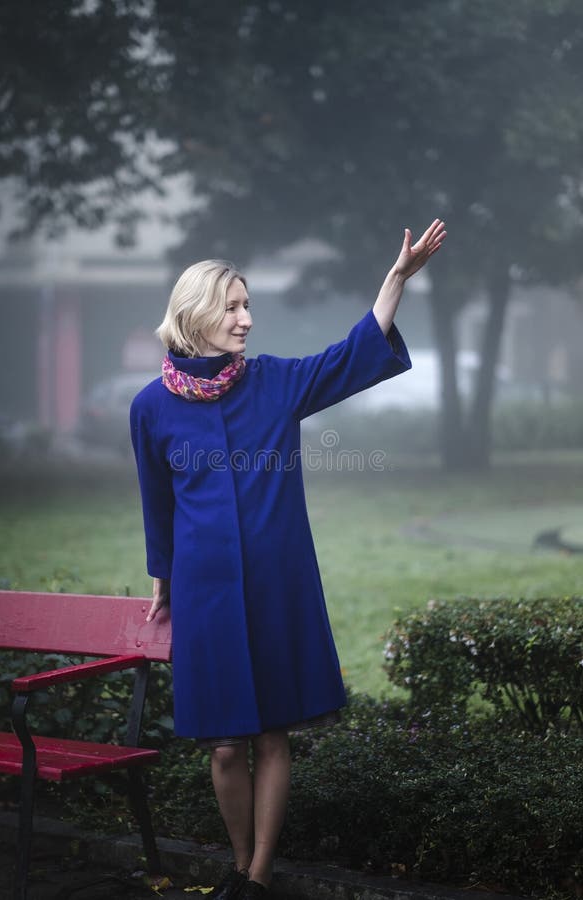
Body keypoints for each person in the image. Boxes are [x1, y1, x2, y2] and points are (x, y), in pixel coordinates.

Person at [130, 219, 446, 899]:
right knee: (223, 744)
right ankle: (237, 860)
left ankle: (257, 876)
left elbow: (350, 354)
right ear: (196, 315)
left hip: (278, 585)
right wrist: (163, 573)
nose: (246, 319)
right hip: (206, 591)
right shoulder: (150, 408)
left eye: (248, 306)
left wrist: (395, 279)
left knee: (273, 734)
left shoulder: (274, 384)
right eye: (233, 306)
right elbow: (157, 502)